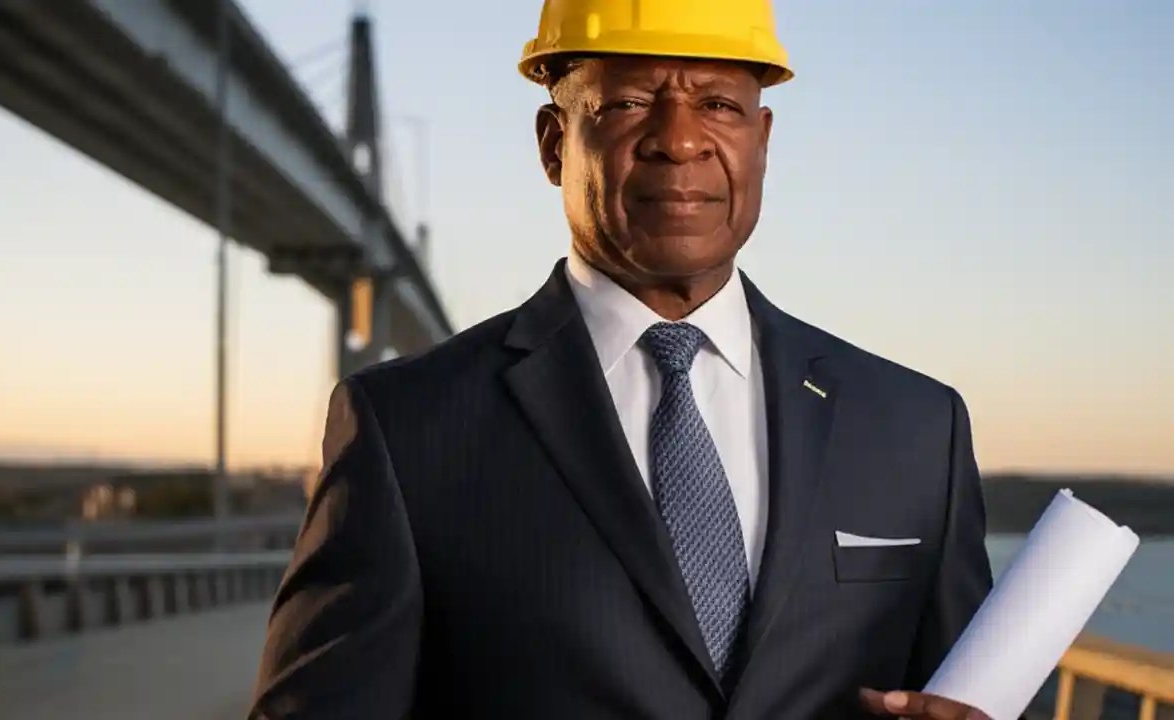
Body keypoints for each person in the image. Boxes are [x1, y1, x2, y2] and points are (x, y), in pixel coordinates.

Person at [249, 0, 997, 717]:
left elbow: (977, 696)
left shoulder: (918, 430)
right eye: (629, 103)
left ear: (761, 140)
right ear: (553, 143)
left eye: (719, 105)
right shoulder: (407, 429)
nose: (679, 139)